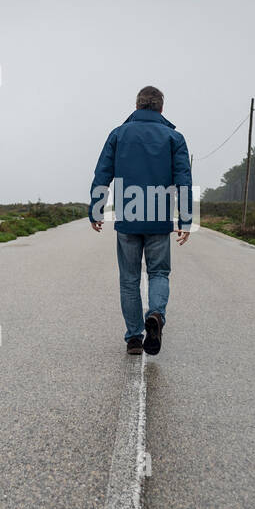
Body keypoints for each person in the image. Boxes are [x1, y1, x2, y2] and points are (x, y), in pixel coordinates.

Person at [89, 85, 193, 356]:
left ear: (136, 106)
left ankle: (134, 338)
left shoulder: (118, 135)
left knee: (129, 279)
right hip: (158, 217)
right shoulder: (175, 138)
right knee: (158, 272)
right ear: (161, 107)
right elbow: (183, 179)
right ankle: (156, 315)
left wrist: (97, 209)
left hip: (127, 216)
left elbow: (103, 173)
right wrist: (186, 218)